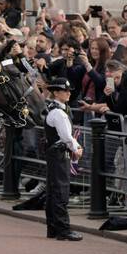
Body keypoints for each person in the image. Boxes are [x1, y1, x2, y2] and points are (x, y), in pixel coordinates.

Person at [43, 78, 83, 241]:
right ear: (56, 92)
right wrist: (77, 148)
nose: (68, 93)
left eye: (68, 91)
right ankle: (63, 229)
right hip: (59, 153)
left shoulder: (56, 109)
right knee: (61, 190)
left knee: (54, 190)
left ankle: (53, 228)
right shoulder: (59, 112)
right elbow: (66, 136)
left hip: (55, 152)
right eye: (64, 91)